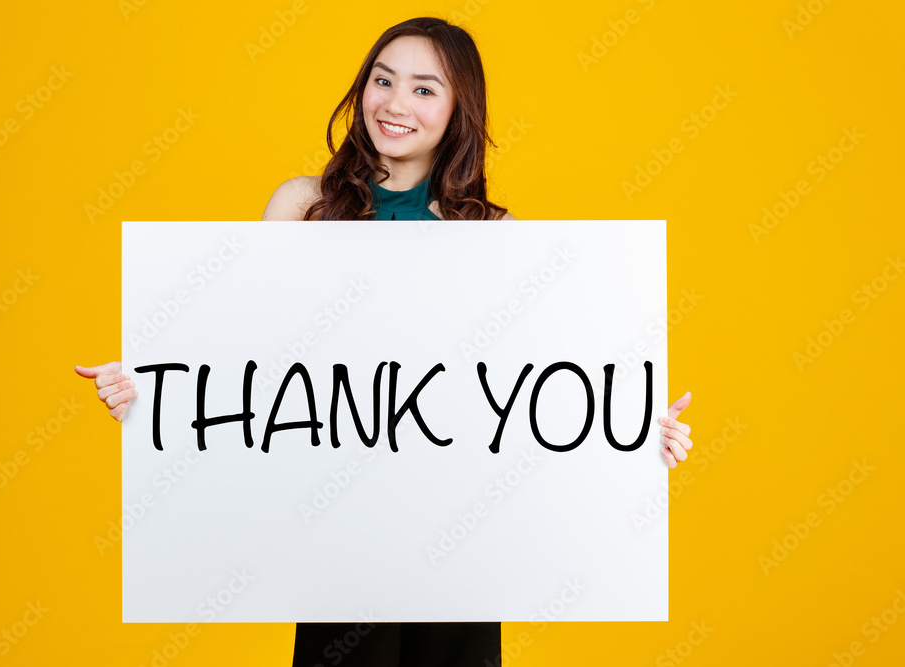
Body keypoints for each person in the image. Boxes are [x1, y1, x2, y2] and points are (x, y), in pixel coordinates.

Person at [75, 16, 694, 667]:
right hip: (339, 528)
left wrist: (628, 433)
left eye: (425, 89)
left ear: (459, 110)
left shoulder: (492, 231)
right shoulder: (302, 207)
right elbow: (245, 364)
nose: (395, 103)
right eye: (383, 80)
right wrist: (153, 393)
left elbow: (527, 393)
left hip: (462, 535)